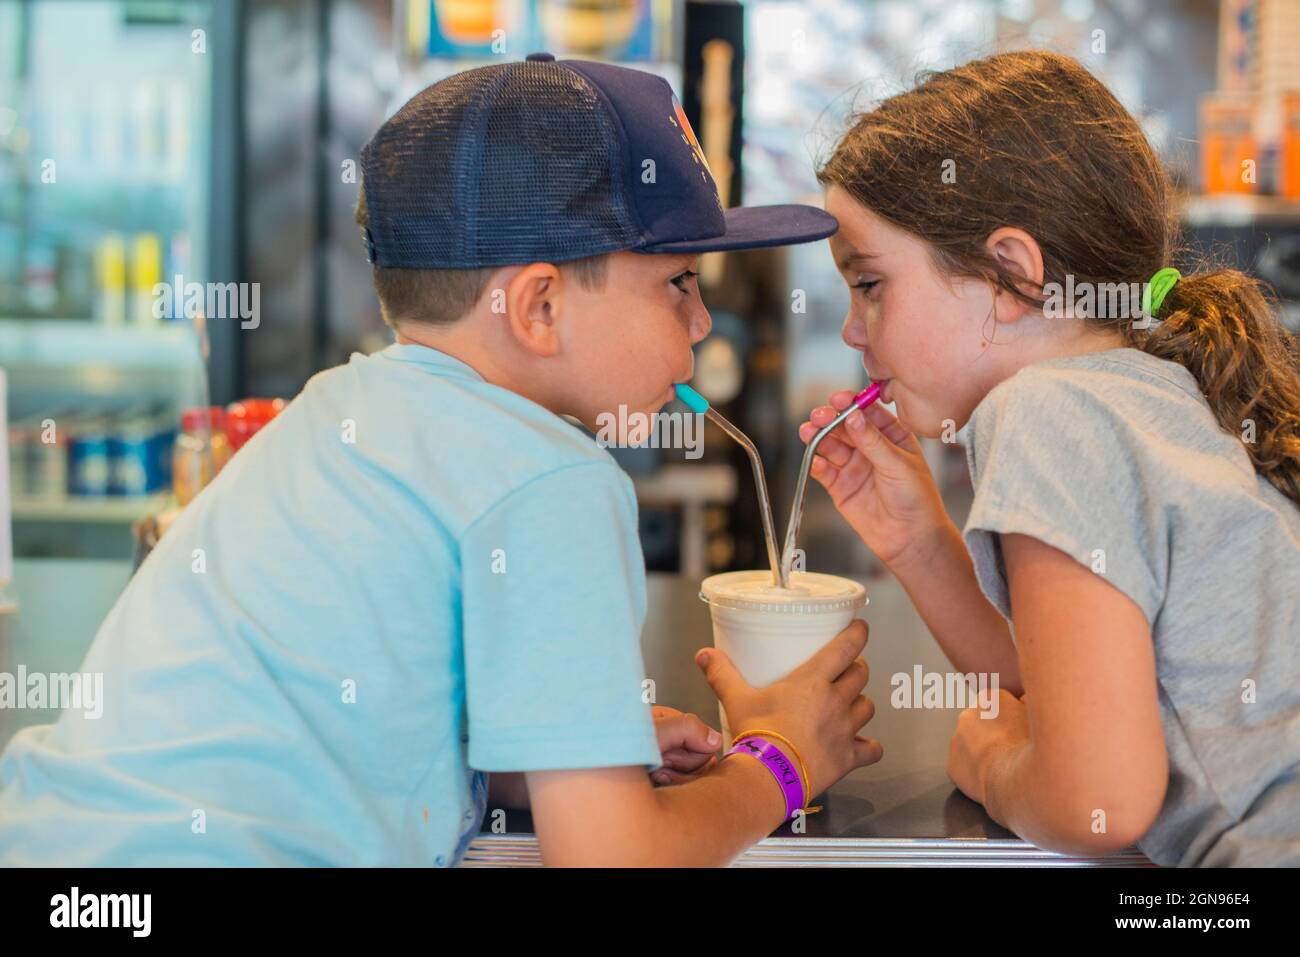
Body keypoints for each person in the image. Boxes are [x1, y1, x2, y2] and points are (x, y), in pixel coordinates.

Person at [0, 53, 883, 867]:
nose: (699, 324)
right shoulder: (552, 478)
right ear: (538, 307)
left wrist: (555, 745)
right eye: (678, 284)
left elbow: (330, 730)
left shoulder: (334, 410)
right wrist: (783, 758)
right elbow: (614, 858)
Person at [801, 50, 1300, 866]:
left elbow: (1097, 800)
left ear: (1010, 274)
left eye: (870, 285)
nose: (854, 331)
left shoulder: (1046, 410)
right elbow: (1078, 691)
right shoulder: (1140, 391)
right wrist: (923, 547)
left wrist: (994, 764)